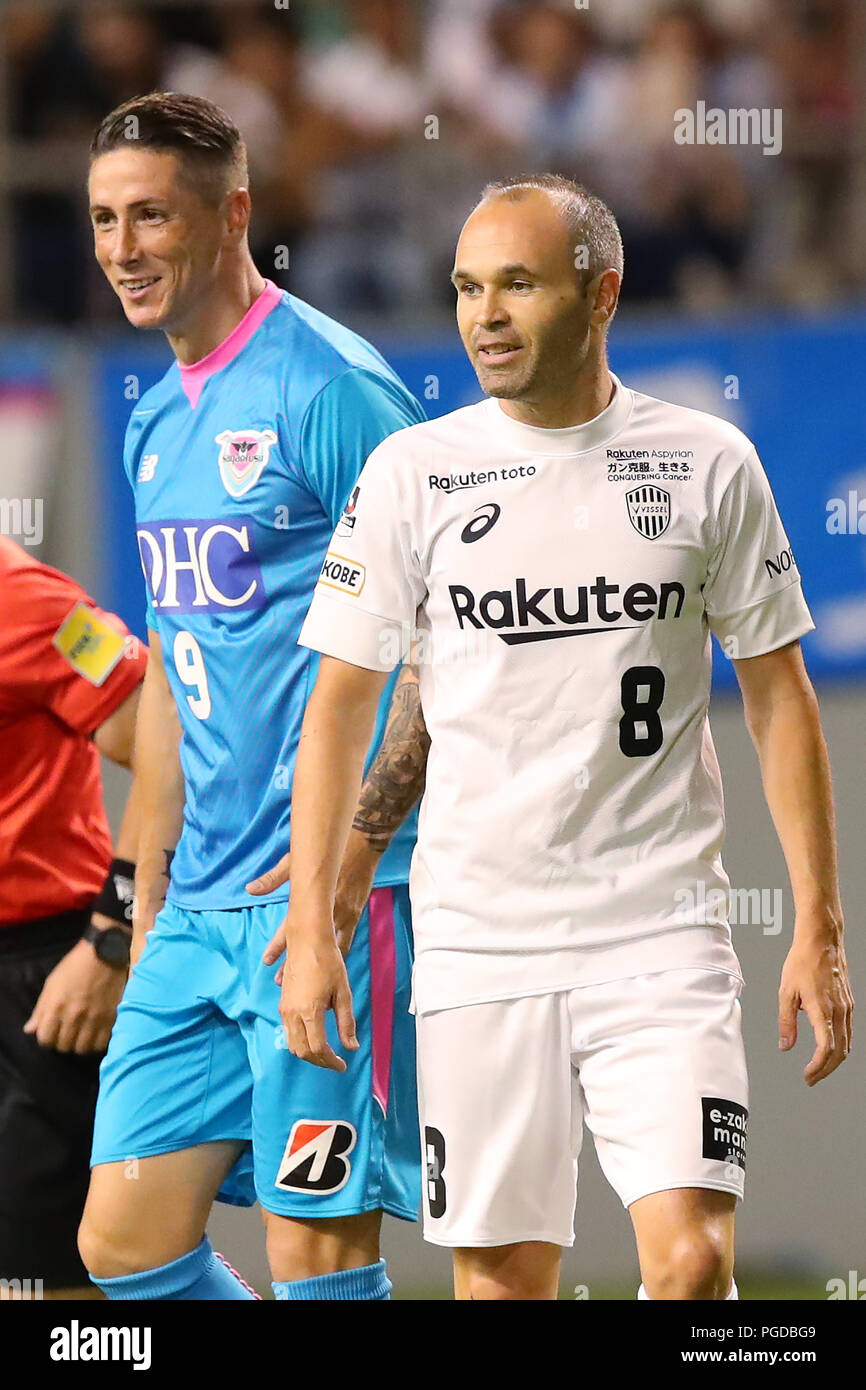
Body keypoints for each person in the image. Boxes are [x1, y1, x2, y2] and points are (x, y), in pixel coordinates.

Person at [278, 173, 853, 1300]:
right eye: (466, 287)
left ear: (600, 294)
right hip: (478, 944)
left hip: (661, 932)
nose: (483, 314)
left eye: (517, 285)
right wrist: (314, 914)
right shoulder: (415, 473)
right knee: (502, 1284)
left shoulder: (705, 461)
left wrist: (816, 928)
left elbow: (779, 695)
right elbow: (345, 705)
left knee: (690, 1264)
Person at [77, 91, 426, 1302]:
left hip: (324, 902)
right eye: (106, 219)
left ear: (232, 216)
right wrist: (144, 877)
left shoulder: (334, 390)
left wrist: (347, 865)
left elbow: (435, 645)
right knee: (123, 1245)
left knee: (315, 1257)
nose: (123, 248)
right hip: (197, 908)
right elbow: (175, 664)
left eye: (151, 217)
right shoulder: (150, 423)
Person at [0, 536, 145, 1299]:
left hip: (37, 991)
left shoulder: (25, 600)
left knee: (45, 1290)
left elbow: (166, 737)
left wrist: (112, 934)